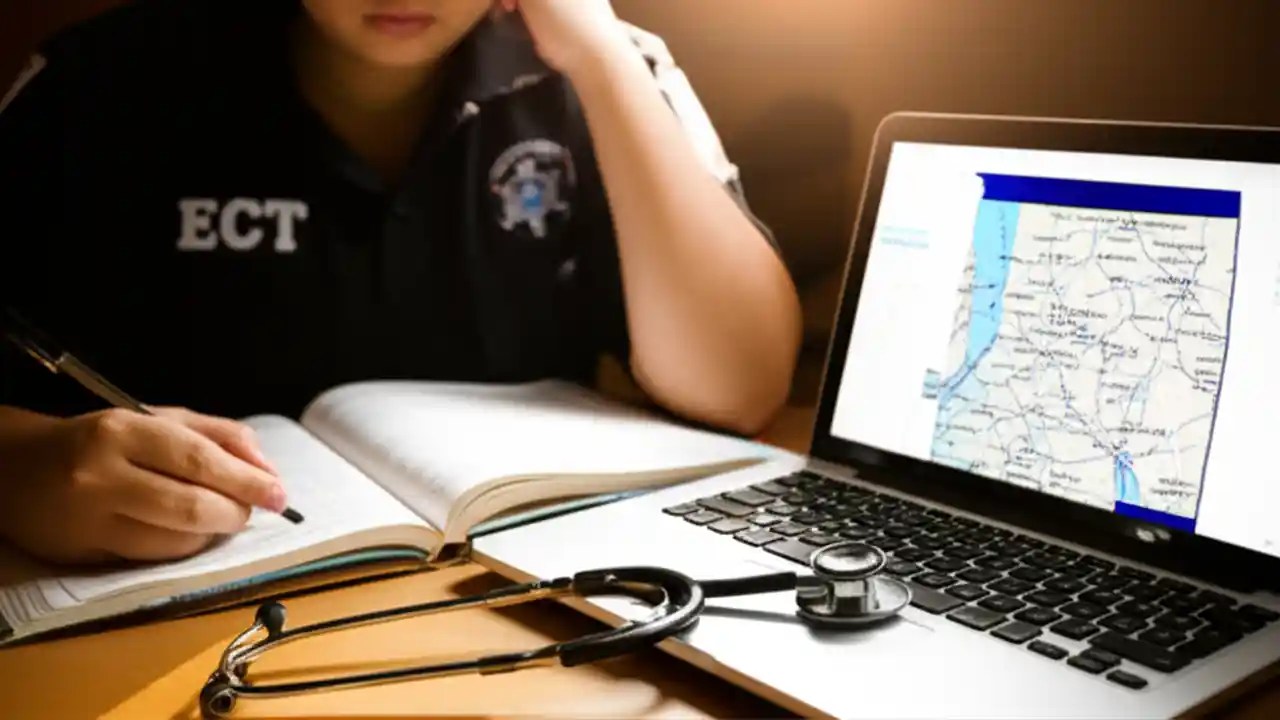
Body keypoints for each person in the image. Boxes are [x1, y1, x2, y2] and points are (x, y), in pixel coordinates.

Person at [0, 0, 802, 566]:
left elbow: (739, 387)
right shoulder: (106, 82)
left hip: (506, 596)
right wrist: (19, 467)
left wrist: (597, 57)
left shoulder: (601, 67)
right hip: (174, 601)